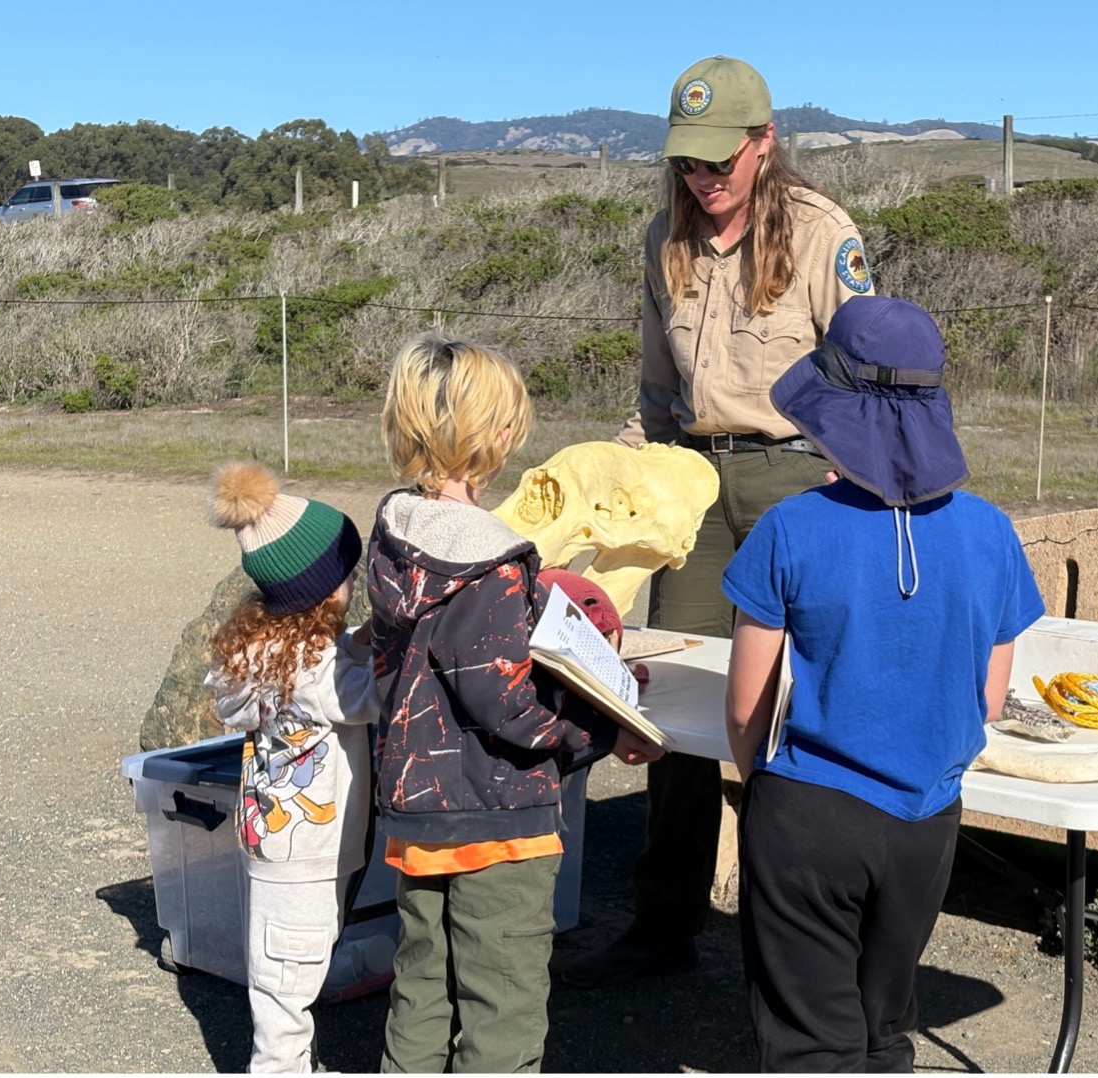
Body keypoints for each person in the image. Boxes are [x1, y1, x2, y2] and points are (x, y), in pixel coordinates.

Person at [565, 53, 876, 990]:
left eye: (719, 159)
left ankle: (801, 933)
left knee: (798, 702)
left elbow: (868, 372)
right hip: (693, 481)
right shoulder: (664, 236)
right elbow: (656, 392)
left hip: (797, 477)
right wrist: (614, 482)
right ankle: (664, 925)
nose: (703, 178)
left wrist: (855, 480)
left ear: (763, 142)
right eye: (687, 161)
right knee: (673, 697)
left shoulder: (822, 232)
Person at [721, 295, 1046, 1071]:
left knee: (811, 1043)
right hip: (927, 821)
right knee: (882, 1030)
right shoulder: (991, 531)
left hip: (809, 812)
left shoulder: (790, 527)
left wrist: (758, 786)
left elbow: (745, 708)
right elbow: (987, 701)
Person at [367, 332, 663, 1074]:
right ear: (497, 437)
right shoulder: (491, 561)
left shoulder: (396, 527)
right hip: (499, 818)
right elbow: (510, 706)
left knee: (421, 986)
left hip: (418, 808)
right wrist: (602, 725)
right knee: (502, 1008)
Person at [204, 461, 376, 1074]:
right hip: (307, 854)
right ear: (325, 591)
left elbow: (320, 668)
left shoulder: (266, 650)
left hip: (276, 844)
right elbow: (366, 696)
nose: (353, 584)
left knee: (283, 978)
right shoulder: (318, 670)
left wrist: (354, 643)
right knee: (286, 991)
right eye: (348, 575)